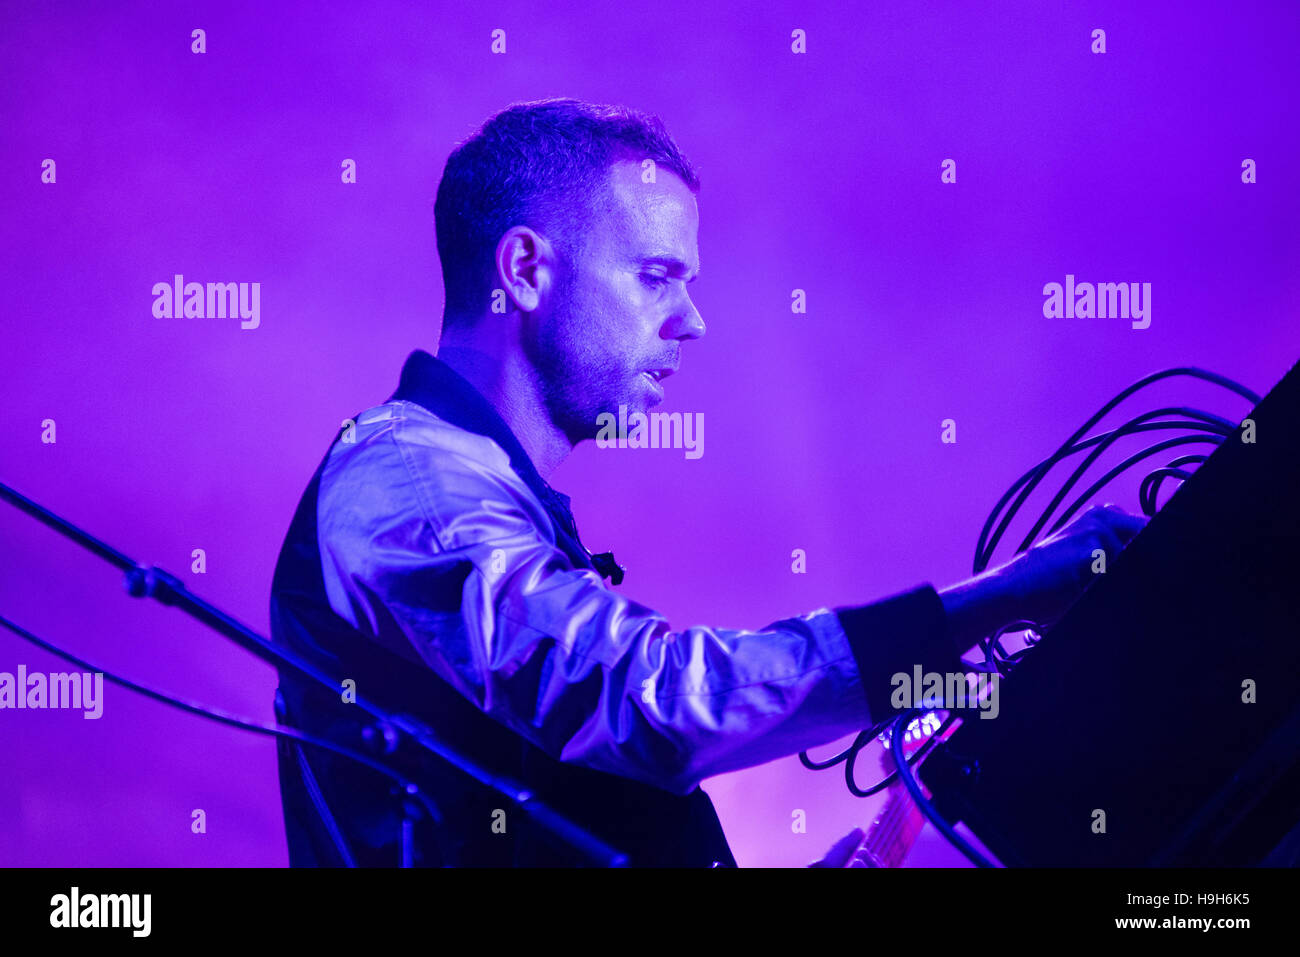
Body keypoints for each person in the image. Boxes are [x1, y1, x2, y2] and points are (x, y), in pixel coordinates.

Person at [269, 97, 1145, 867]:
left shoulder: (473, 488)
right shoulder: (406, 478)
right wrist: (1011, 593)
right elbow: (648, 701)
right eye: (656, 276)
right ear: (527, 271)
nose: (692, 321)